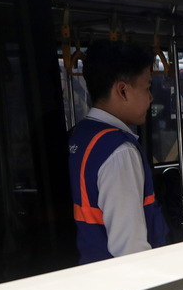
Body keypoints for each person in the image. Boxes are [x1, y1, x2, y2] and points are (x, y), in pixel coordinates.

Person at [68, 41, 168, 264]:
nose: (150, 97)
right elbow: (130, 250)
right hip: (119, 285)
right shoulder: (119, 151)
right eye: (147, 87)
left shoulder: (79, 135)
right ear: (122, 90)